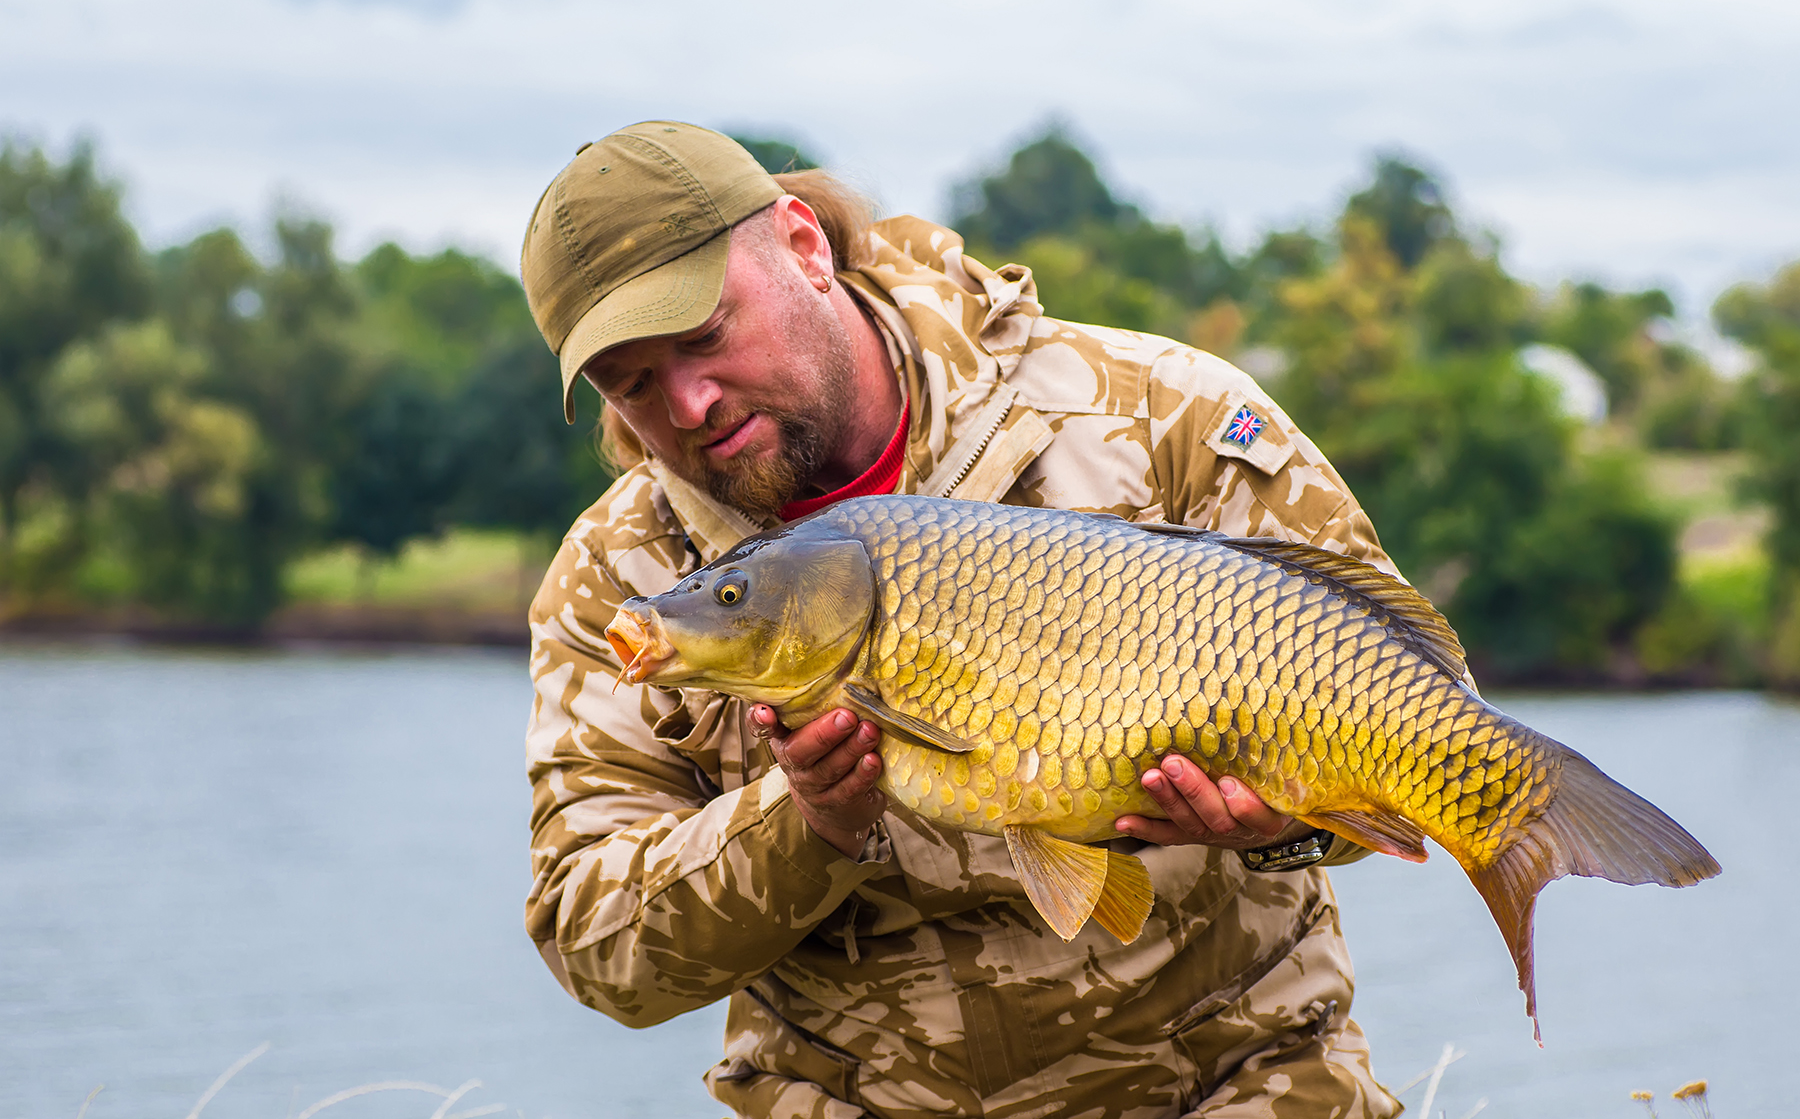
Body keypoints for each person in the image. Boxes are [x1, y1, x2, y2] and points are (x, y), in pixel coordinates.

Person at [519, 120, 1403, 1119]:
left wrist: (1288, 825)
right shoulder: (619, 579)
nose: (687, 403)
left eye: (705, 335)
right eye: (630, 382)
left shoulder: (1165, 419)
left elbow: (1410, 734)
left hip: (1241, 1084)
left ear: (805, 245)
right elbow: (602, 951)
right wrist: (802, 822)